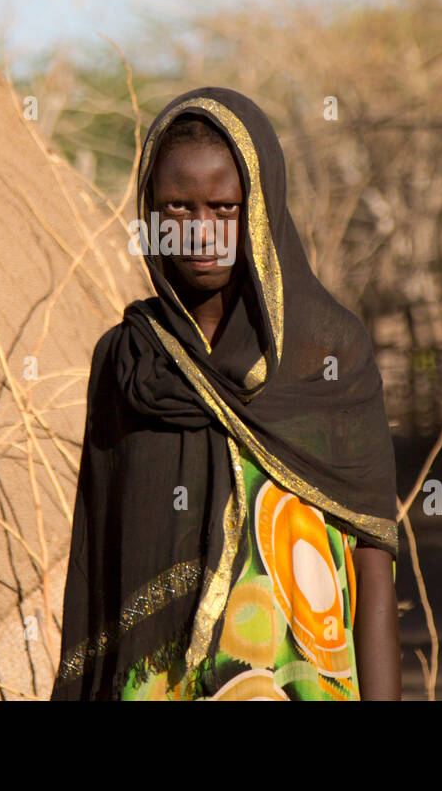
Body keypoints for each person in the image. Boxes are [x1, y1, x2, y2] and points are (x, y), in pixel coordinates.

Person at [51, 86, 402, 700]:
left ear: (262, 208)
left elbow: (372, 566)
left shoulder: (326, 354)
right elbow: (98, 567)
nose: (201, 231)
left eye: (225, 207)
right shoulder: (128, 362)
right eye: (178, 208)